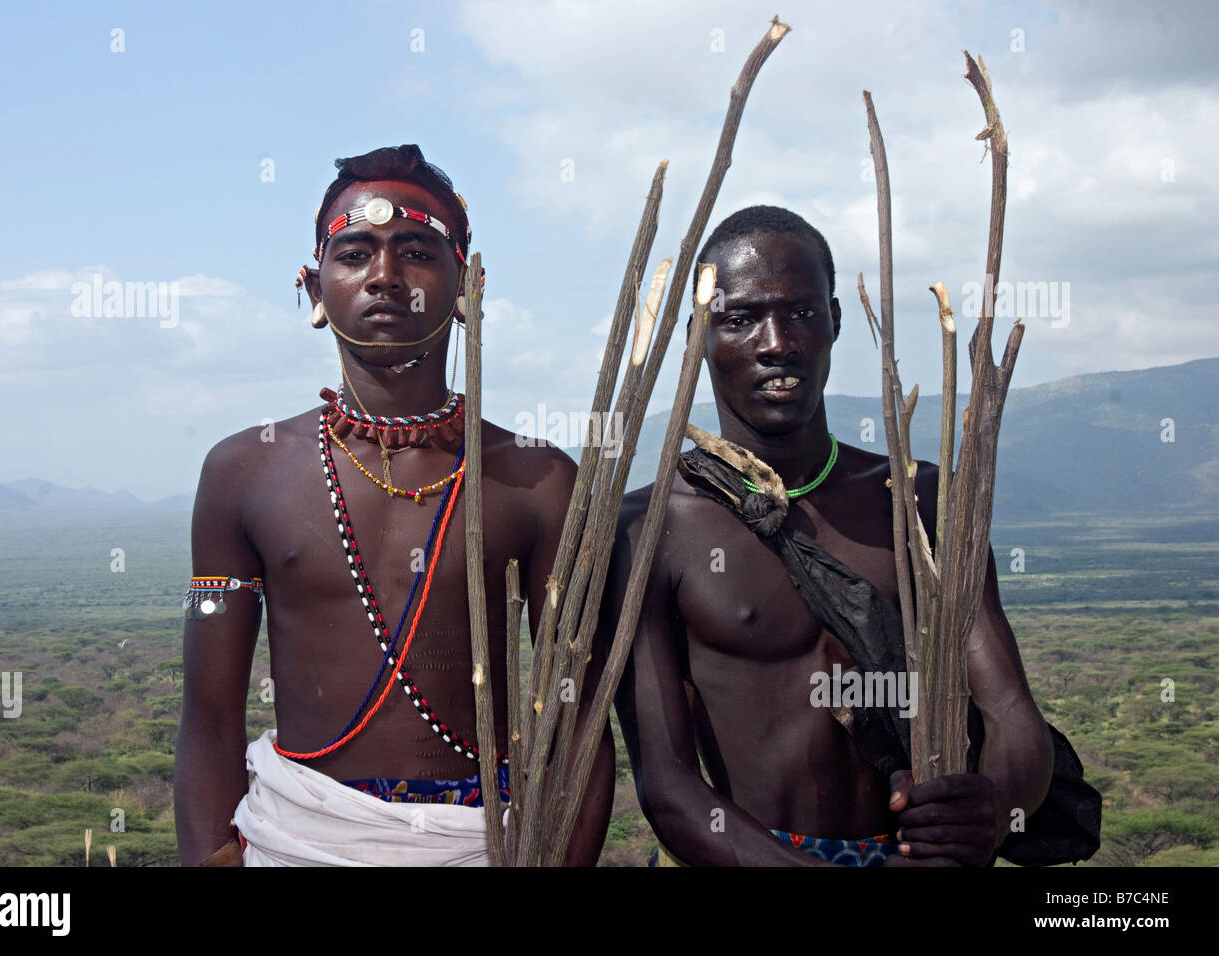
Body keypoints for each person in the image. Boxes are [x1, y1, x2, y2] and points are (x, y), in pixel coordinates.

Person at [174, 145, 613, 866]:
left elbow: (580, 722)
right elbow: (210, 718)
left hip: (485, 845)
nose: (384, 276)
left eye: (415, 251)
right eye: (354, 254)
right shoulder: (242, 471)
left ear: (467, 284)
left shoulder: (539, 480)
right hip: (296, 840)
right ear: (314, 287)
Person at [604, 205, 1055, 866]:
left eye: (802, 313)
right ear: (700, 334)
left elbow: (1013, 712)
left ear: (836, 323)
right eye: (740, 318)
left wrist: (988, 808)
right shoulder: (649, 530)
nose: (776, 342)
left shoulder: (922, 501)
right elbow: (669, 787)